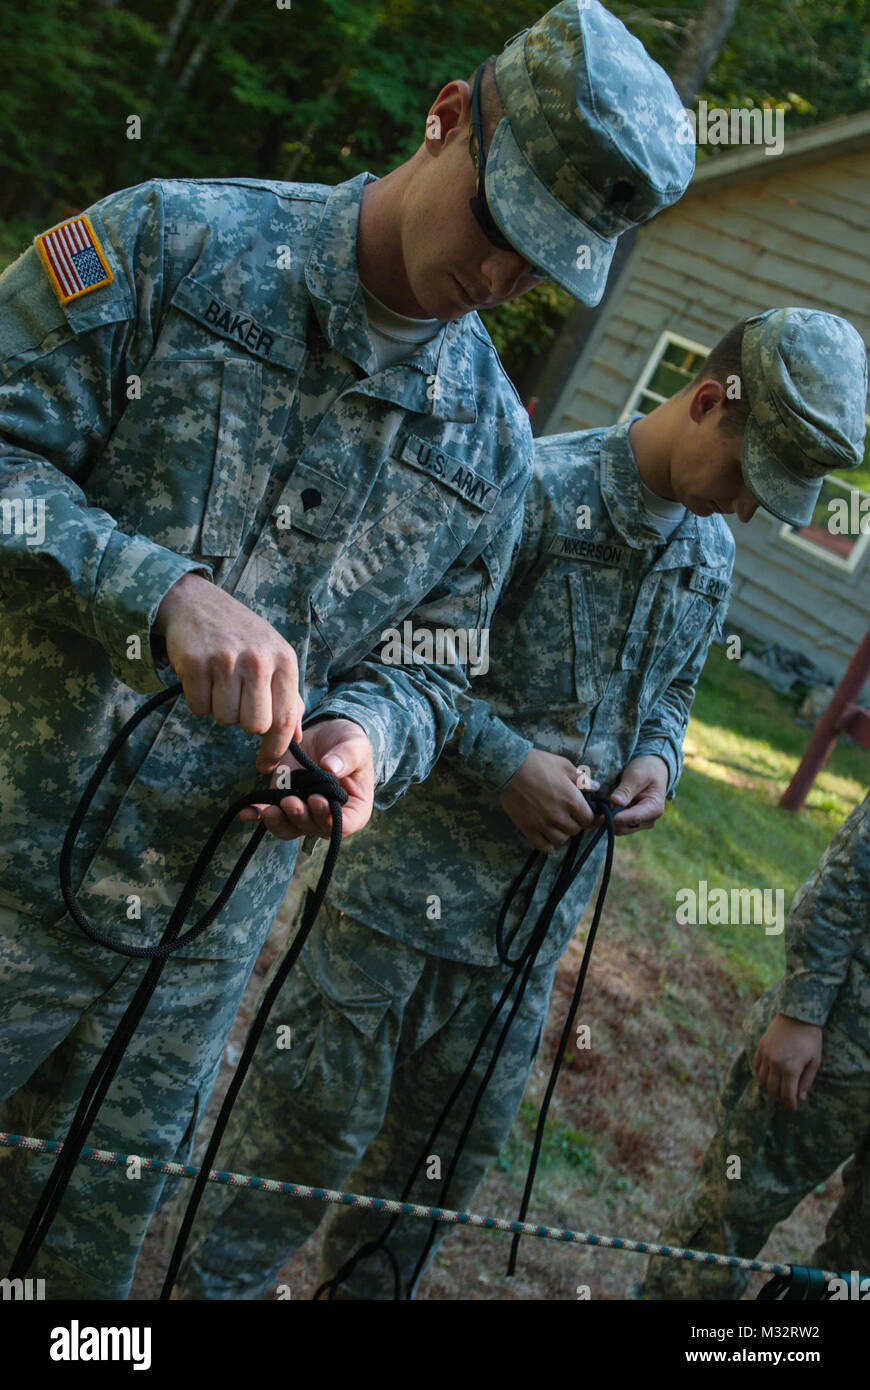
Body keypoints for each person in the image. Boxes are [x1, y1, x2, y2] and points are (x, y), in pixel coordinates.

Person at [0, 0, 695, 1302]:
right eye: (498, 225)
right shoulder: (170, 246)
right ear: (443, 117)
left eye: (540, 267)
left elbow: (435, 658)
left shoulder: (485, 436)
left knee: (71, 1274)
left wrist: (368, 734)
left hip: (196, 939)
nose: (498, 280)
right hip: (10, 867)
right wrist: (156, 591)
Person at [175, 307, 868, 1299]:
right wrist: (505, 763)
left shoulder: (707, 553)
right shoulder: (536, 488)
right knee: (291, 1157)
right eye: (750, 478)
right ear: (707, 402)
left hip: (522, 947)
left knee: (421, 1196)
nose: (751, 509)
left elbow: (669, 695)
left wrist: (659, 766)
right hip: (395, 913)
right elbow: (403, 656)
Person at [641, 786, 870, 1300]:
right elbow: (846, 881)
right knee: (728, 1218)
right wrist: (803, 1011)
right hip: (840, 1047)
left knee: (859, 1275)